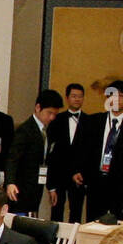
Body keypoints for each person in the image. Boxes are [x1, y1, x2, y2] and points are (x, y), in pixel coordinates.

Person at [74, 80, 123, 221]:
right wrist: (77, 170)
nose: (116, 100)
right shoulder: (93, 121)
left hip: (121, 184)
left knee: (119, 225)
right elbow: (81, 148)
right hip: (96, 181)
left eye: (121, 96)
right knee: (93, 222)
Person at [4, 89, 62, 216]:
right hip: (21, 187)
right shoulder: (25, 130)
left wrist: (51, 187)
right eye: (49, 113)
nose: (52, 117)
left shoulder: (48, 131)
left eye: (55, 114)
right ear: (38, 108)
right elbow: (12, 158)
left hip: (37, 186)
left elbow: (46, 160)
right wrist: (10, 182)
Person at [47, 83, 87, 223]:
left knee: (76, 212)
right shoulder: (56, 119)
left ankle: (73, 243)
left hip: (79, 176)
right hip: (59, 174)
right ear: (67, 98)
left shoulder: (90, 122)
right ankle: (54, 242)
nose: (77, 99)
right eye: (74, 96)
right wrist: (50, 183)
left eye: (80, 97)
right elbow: (51, 153)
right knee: (56, 211)